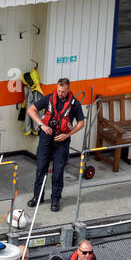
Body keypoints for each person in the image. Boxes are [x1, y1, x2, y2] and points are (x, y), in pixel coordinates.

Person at [26, 78, 85, 213]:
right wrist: (41, 125)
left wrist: (67, 135)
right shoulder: (49, 98)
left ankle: (55, 200)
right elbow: (31, 110)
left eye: (63, 92)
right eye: (59, 91)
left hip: (62, 140)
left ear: (68, 90)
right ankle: (37, 197)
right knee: (41, 168)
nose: (60, 94)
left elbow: (81, 123)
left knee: (58, 172)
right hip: (46, 138)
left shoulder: (75, 104)